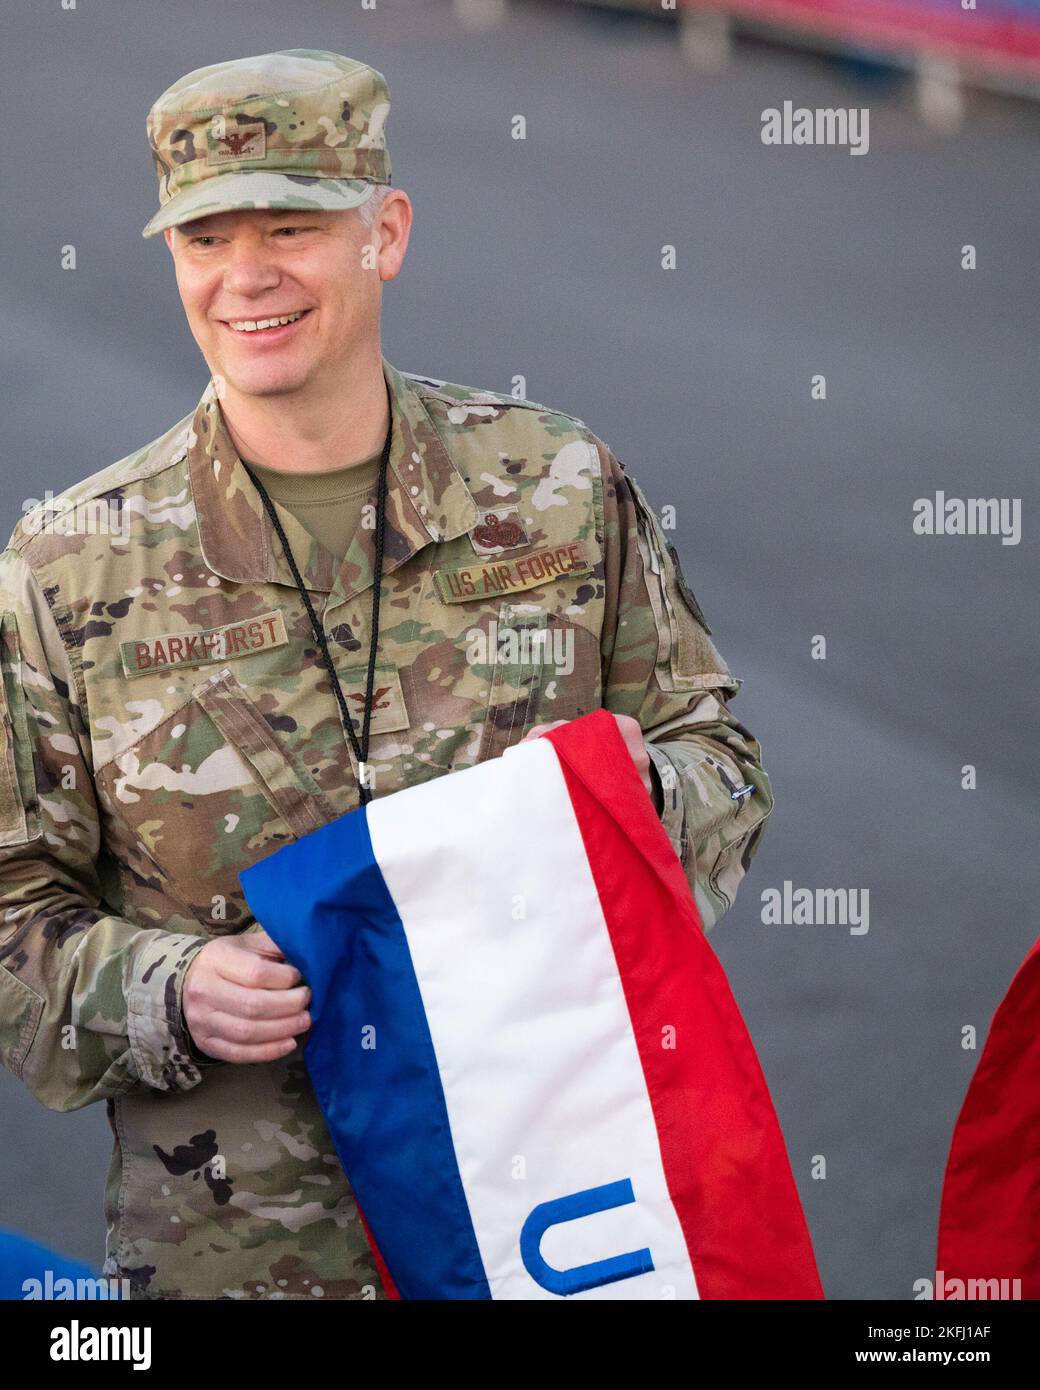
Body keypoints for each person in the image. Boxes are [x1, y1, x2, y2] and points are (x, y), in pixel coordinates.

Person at [0, 49, 774, 1300]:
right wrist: (165, 988)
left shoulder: (556, 489)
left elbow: (716, 762)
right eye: (204, 238)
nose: (245, 277)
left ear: (386, 233)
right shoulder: (71, 566)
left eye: (291, 226)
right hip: (243, 1258)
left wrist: (600, 819)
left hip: (558, 1229)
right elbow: (11, 904)